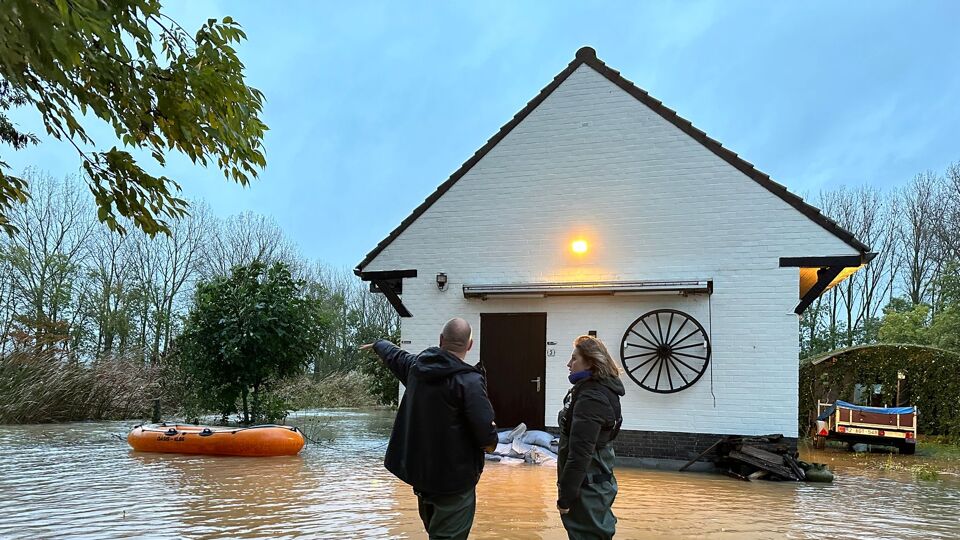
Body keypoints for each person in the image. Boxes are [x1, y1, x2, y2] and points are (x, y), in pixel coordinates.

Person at [361, 317, 497, 540]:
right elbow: (486, 435)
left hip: (423, 479)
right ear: (470, 345)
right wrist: (491, 444)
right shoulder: (469, 381)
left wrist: (379, 343)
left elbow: (394, 355)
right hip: (454, 483)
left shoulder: (416, 367)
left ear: (441, 339)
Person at [556, 335, 625, 540]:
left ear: (591, 362)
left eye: (574, 359)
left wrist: (565, 497)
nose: (569, 364)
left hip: (587, 487)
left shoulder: (591, 397)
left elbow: (580, 454)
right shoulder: (593, 390)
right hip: (592, 483)